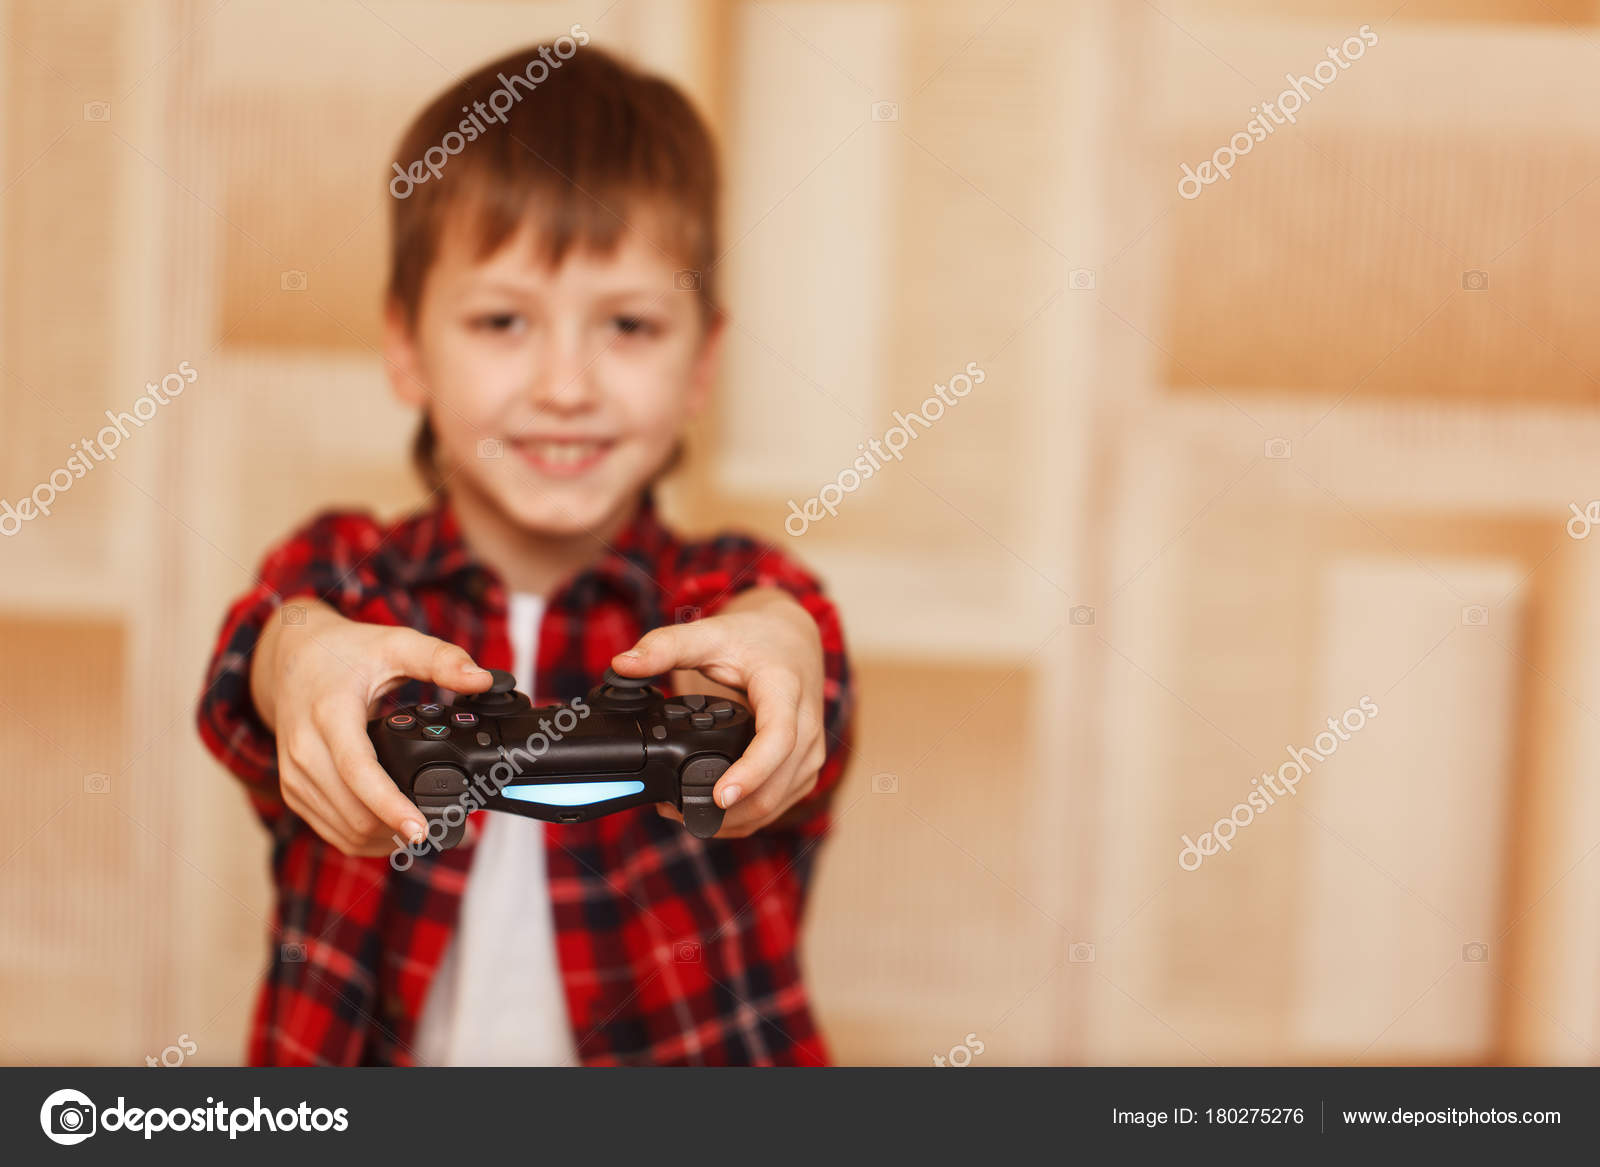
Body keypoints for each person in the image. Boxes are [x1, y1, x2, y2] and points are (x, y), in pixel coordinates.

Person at [196, 40, 854, 1066]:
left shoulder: (716, 601)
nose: (565, 384)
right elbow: (268, 652)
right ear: (408, 348)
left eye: (628, 325)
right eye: (504, 320)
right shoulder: (350, 579)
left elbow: (786, 630)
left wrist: (779, 647)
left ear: (701, 366)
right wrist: (302, 662)